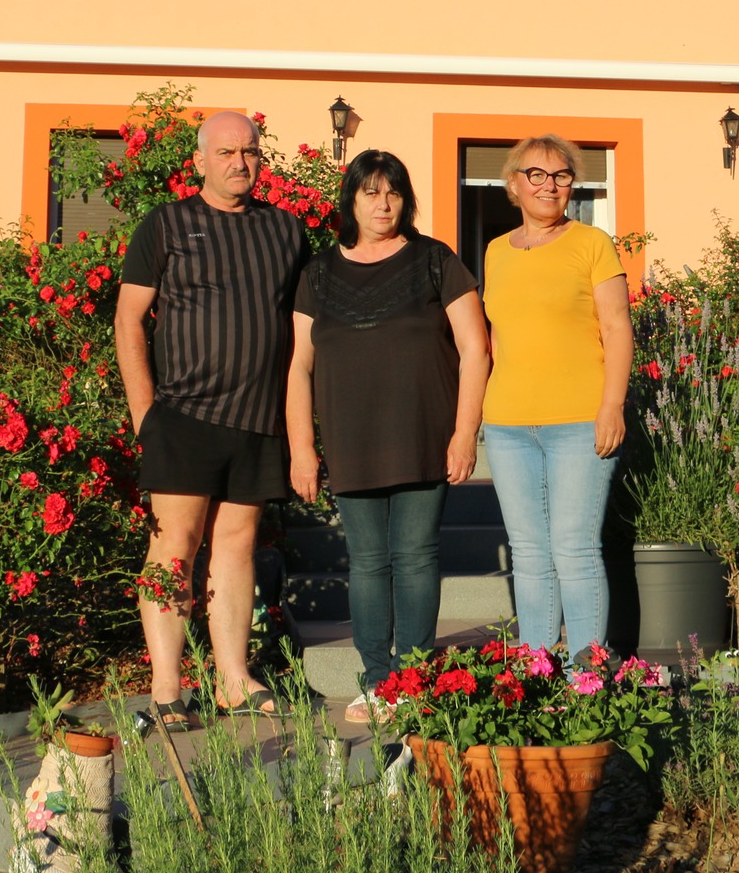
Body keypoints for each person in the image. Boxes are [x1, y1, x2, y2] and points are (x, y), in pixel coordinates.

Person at [115, 109, 309, 721]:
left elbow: (302, 330)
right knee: (174, 548)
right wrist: (146, 412)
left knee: (235, 545)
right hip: (183, 416)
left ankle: (232, 678)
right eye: (226, 152)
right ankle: (168, 690)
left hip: (257, 418)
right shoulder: (166, 224)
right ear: (200, 160)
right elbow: (128, 321)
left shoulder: (286, 230)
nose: (239, 163)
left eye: (249, 151)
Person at [285, 150, 489, 723]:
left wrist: (465, 431)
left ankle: (417, 676)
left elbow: (476, 346)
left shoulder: (434, 261)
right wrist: (303, 447)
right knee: (369, 561)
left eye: (394, 192)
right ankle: (379, 681)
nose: (383, 203)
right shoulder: (318, 274)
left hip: (425, 434)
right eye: (371, 192)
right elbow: (299, 366)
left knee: (417, 556)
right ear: (351, 199)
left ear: (407, 199)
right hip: (352, 440)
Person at [479, 134, 632, 657]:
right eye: (537, 175)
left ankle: (585, 682)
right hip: (506, 426)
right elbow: (496, 338)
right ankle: (538, 677)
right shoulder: (496, 251)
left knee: (575, 551)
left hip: (578, 422)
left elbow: (617, 327)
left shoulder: (591, 243)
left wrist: (611, 405)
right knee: (528, 554)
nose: (549, 185)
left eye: (561, 176)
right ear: (514, 185)